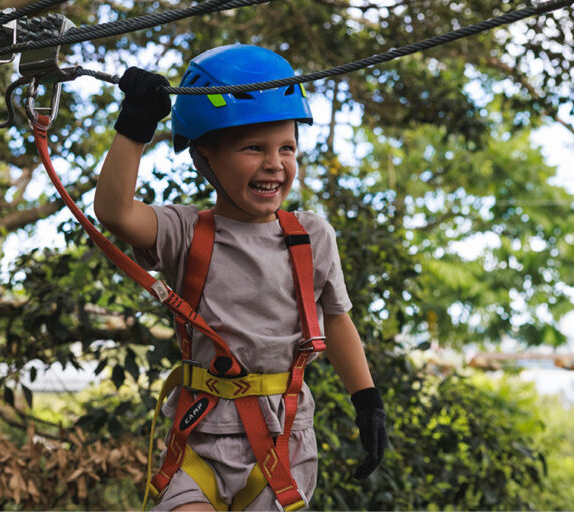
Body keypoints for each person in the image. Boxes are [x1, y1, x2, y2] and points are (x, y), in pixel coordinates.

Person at [94, 44, 388, 511]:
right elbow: (114, 212)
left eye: (287, 147)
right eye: (254, 147)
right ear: (205, 155)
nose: (275, 163)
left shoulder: (311, 235)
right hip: (199, 435)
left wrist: (367, 399)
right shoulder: (186, 231)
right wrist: (133, 130)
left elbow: (335, 319)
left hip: (281, 439)